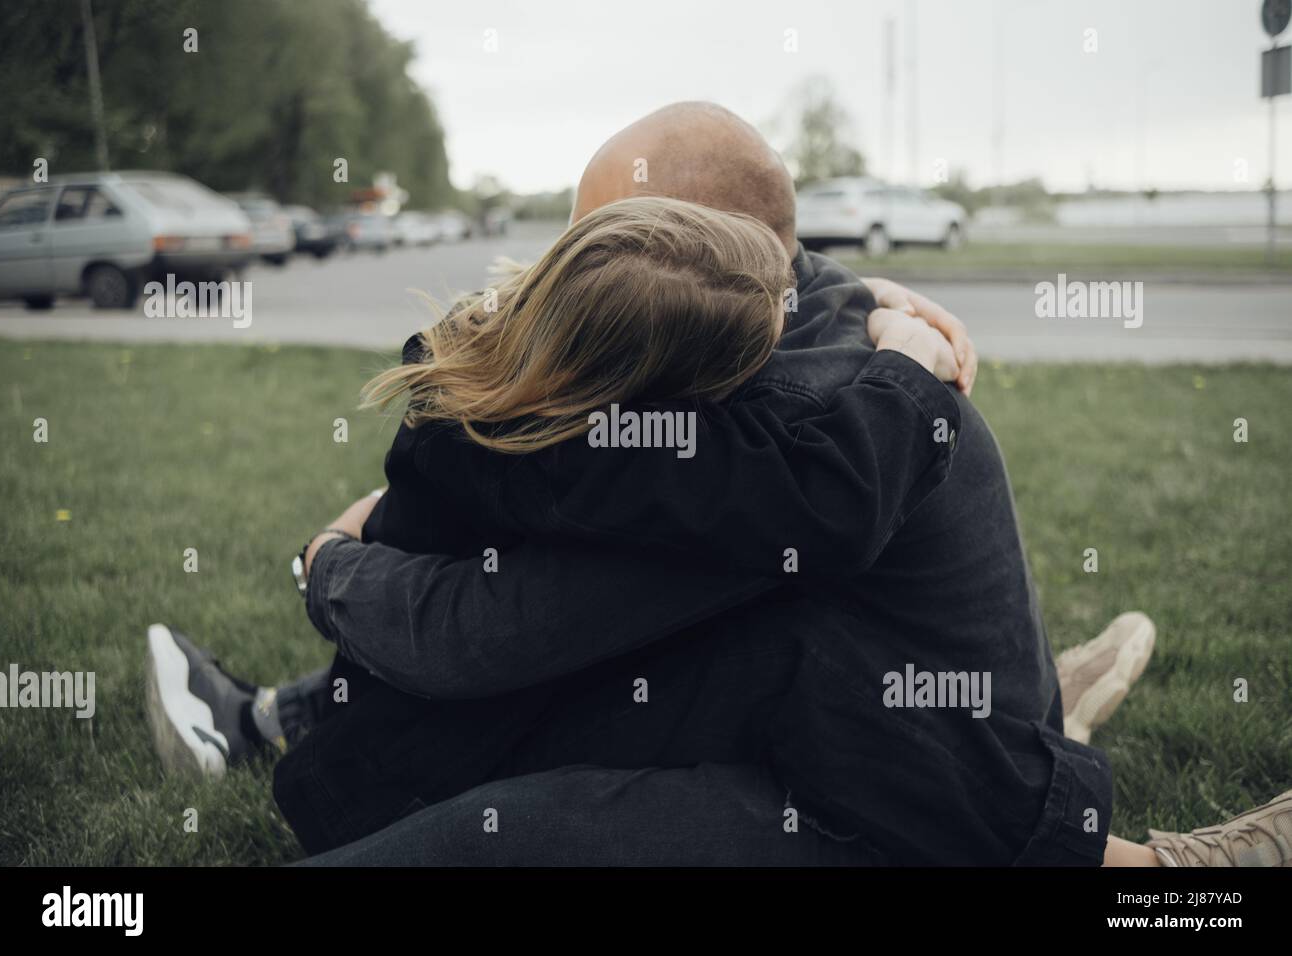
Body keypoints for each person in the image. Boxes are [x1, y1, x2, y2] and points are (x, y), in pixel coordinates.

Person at [146, 102, 1291, 867]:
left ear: (697, 262)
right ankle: (1023, 706)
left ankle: (1124, 840)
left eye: (601, 241)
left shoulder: (731, 437)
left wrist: (327, 558)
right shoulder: (793, 328)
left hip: (859, 787)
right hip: (865, 691)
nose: (565, 274)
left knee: (484, 834)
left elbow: (487, 630)